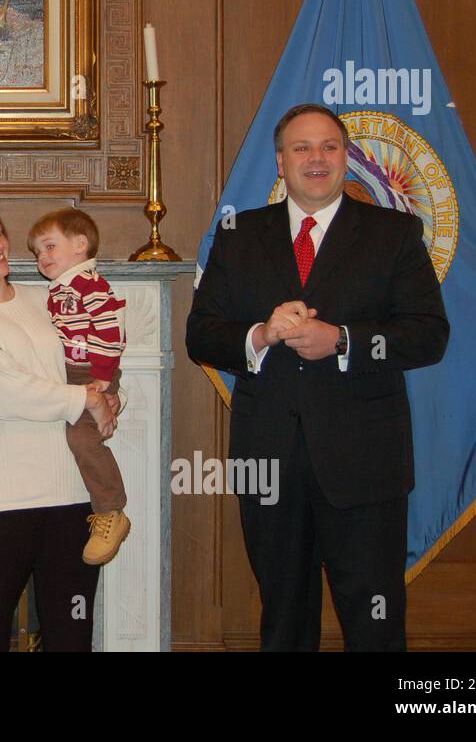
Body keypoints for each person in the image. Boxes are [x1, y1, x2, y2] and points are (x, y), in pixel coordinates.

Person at [186, 104, 449, 651]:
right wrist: (259, 335)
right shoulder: (239, 235)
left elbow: (428, 335)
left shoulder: (395, 232)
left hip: (366, 460)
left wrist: (345, 340)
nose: (316, 158)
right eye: (301, 148)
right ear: (280, 161)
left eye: (329, 146)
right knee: (283, 618)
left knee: (374, 619)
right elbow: (201, 336)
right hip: (270, 457)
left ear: (347, 157)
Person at [0, 197, 121, 651]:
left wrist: (106, 395)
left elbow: (85, 362)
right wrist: (83, 400)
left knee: (71, 631)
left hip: (69, 490)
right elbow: (2, 390)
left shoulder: (45, 302)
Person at [28, 209, 130, 565]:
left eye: (50, 246)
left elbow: (110, 327)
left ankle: (111, 510)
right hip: (71, 372)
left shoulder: (89, 285)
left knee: (82, 437)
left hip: (90, 371)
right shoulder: (60, 289)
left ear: (80, 245)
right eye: (38, 251)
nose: (42, 257)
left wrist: (103, 377)